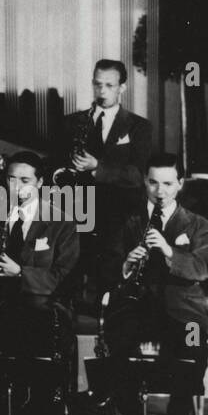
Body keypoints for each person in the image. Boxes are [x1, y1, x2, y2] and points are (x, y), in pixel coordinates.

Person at [0, 152, 80, 415]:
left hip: (44, 307)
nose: (17, 187)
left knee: (33, 332)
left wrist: (20, 273)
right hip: (1, 305)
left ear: (40, 183)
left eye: (25, 180)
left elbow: (65, 278)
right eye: (11, 179)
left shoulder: (61, 222)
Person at [102, 154, 208, 415]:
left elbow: (201, 269)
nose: (159, 191)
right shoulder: (130, 222)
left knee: (195, 345)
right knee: (119, 340)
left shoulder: (200, 225)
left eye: (167, 183)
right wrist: (126, 265)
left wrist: (167, 251)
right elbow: (107, 266)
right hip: (138, 308)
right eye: (153, 183)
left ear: (179, 185)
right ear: (144, 182)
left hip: (188, 314)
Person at [54, 59, 152, 306]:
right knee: (69, 280)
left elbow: (138, 176)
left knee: (109, 285)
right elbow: (54, 167)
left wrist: (98, 167)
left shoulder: (139, 127)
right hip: (77, 210)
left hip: (117, 218)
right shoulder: (71, 123)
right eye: (98, 84)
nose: (102, 91)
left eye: (109, 85)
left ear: (122, 88)